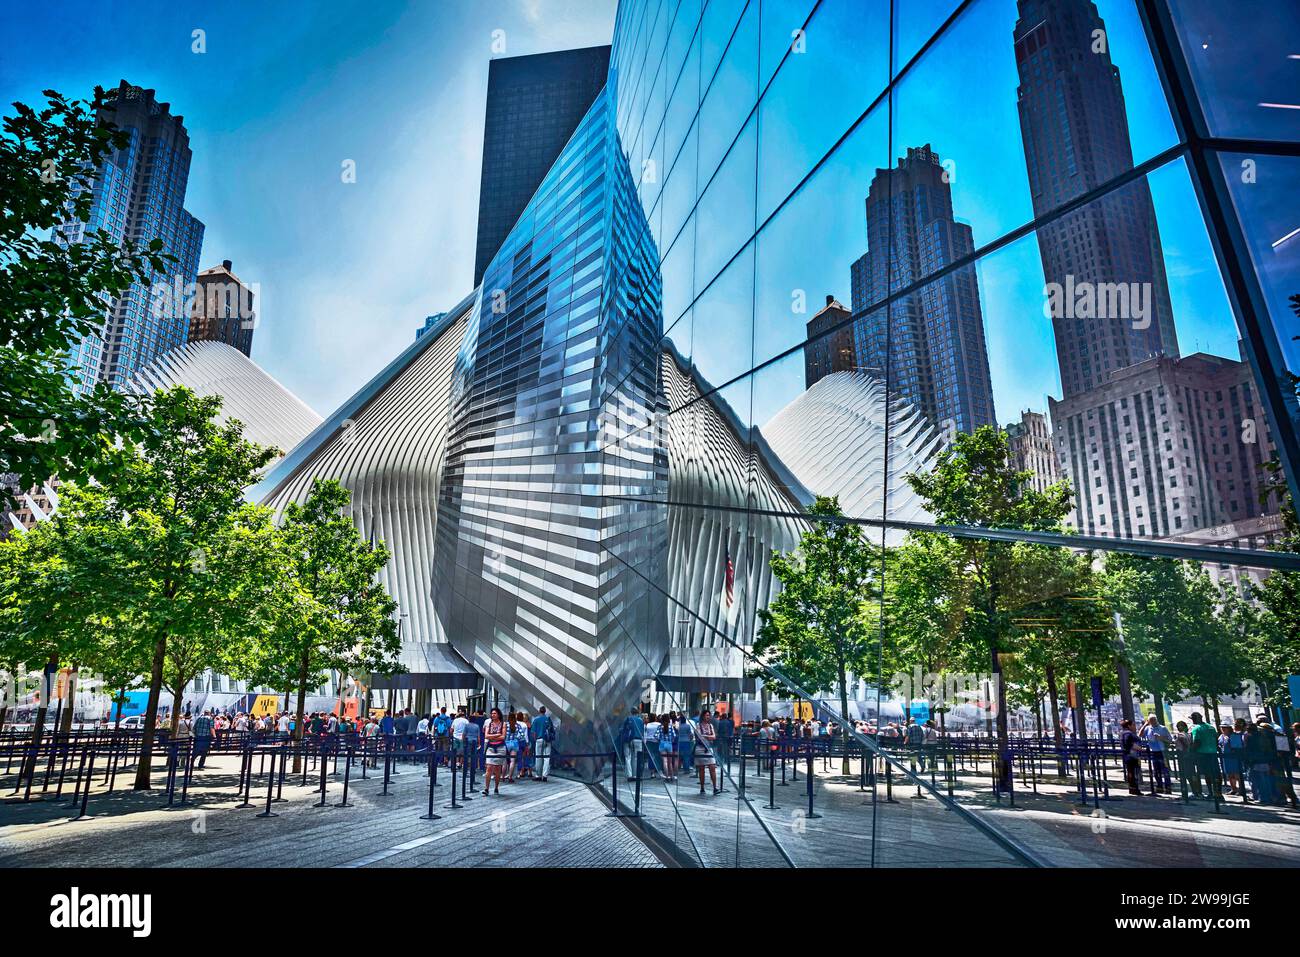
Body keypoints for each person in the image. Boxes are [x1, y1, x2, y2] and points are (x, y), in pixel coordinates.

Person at [1187, 712, 1220, 800]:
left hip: (1202, 754)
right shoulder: (1211, 727)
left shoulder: (1196, 729)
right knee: (1215, 773)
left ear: (1194, 719)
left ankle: (1208, 793)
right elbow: (1216, 739)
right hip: (1213, 753)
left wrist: (1191, 751)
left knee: (1205, 774)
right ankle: (1218, 793)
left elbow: (1197, 742)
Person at [1140, 715, 1172, 793]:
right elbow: (1140, 735)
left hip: (1162, 751)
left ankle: (1168, 787)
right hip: (1153, 752)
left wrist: (1161, 738)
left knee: (1165, 770)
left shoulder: (1163, 728)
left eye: (1154, 720)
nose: (1153, 722)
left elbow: (1170, 739)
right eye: (1151, 720)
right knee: (1156, 771)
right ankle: (1159, 787)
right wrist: (1145, 725)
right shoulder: (1148, 728)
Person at [482, 708, 507, 795]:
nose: (493, 715)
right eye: (492, 713)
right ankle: (486, 788)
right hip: (491, 747)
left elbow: (503, 737)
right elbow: (486, 736)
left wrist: (492, 736)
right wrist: (497, 735)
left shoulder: (503, 724)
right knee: (489, 767)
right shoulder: (489, 724)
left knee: (497, 768)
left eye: (495, 713)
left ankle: (496, 787)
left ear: (498, 714)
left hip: (500, 747)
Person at [695, 711, 720, 795]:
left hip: (709, 748)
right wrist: (709, 737)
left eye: (709, 715)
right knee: (701, 769)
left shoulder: (710, 725)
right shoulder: (698, 725)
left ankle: (715, 787)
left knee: (712, 766)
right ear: (703, 716)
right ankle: (702, 787)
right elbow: (699, 736)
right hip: (700, 748)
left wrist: (705, 736)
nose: (708, 717)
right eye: (706, 715)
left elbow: (714, 737)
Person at [1119, 718, 1143, 795]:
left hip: (1128, 755)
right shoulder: (1128, 734)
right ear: (1129, 726)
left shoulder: (1123, 733)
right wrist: (1140, 749)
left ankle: (1132, 788)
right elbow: (1129, 744)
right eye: (1133, 725)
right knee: (1133, 773)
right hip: (1132, 755)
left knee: (1131, 772)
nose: (1134, 726)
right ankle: (1134, 789)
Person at [619, 709, 645, 781]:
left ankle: (629, 775)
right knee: (636, 758)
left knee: (627, 757)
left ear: (631, 712)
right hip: (638, 740)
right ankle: (636, 775)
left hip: (627, 740)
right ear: (638, 713)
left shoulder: (628, 719)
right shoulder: (640, 720)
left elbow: (622, 729)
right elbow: (642, 731)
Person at [530, 706, 555, 781]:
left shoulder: (536, 719)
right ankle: (545, 776)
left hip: (539, 740)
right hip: (548, 740)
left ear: (539, 711)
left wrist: (535, 740)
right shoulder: (548, 719)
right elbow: (552, 730)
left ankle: (538, 775)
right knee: (547, 758)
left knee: (538, 758)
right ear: (545, 711)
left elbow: (533, 732)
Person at [1219, 721, 1243, 796]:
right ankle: (1233, 789)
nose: (1223, 729)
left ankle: (1241, 790)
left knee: (1237, 774)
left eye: (1225, 727)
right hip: (1226, 758)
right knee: (1230, 774)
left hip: (1234, 757)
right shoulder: (1221, 736)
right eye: (1222, 727)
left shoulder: (1234, 736)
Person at [657, 713, 678, 781]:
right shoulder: (670, 726)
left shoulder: (660, 726)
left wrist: (660, 740)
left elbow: (656, 736)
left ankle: (666, 776)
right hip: (669, 744)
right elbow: (674, 735)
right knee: (670, 762)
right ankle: (671, 776)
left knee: (664, 761)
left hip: (662, 744)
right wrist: (671, 740)